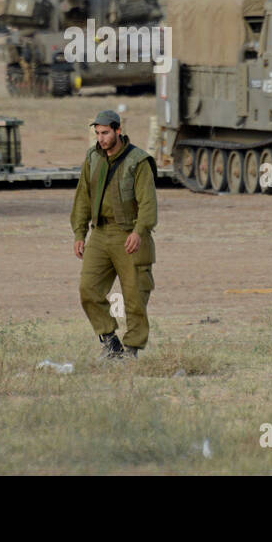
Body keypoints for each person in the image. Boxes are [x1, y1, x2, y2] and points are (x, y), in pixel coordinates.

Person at [71, 110, 158, 359]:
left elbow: (148, 203)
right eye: (97, 133)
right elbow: (82, 199)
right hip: (99, 234)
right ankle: (110, 342)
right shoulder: (92, 158)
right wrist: (79, 233)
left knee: (134, 297)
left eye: (106, 133)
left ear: (118, 131)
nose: (101, 138)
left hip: (129, 234)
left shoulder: (138, 161)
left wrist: (140, 231)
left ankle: (132, 350)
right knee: (88, 289)